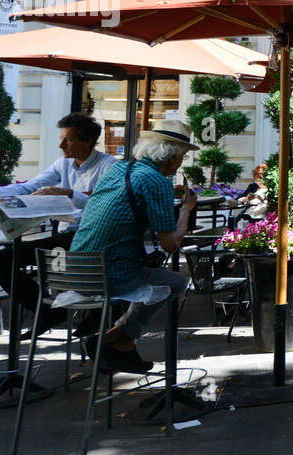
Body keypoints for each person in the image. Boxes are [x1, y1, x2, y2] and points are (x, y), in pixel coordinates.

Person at [0, 112, 117, 337]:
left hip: (93, 237)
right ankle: (45, 309)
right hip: (67, 238)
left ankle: (95, 317)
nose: (61, 144)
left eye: (68, 139)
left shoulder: (110, 166)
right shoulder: (63, 164)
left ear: (87, 141)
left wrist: (68, 193)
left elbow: (105, 204)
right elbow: (31, 186)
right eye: (62, 138)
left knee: (56, 264)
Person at [69, 119, 197, 373]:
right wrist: (186, 210)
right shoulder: (158, 182)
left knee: (153, 277)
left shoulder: (117, 170)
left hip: (73, 270)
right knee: (175, 282)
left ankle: (118, 342)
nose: (181, 162)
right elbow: (170, 245)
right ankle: (117, 339)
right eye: (182, 157)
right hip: (108, 274)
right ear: (171, 157)